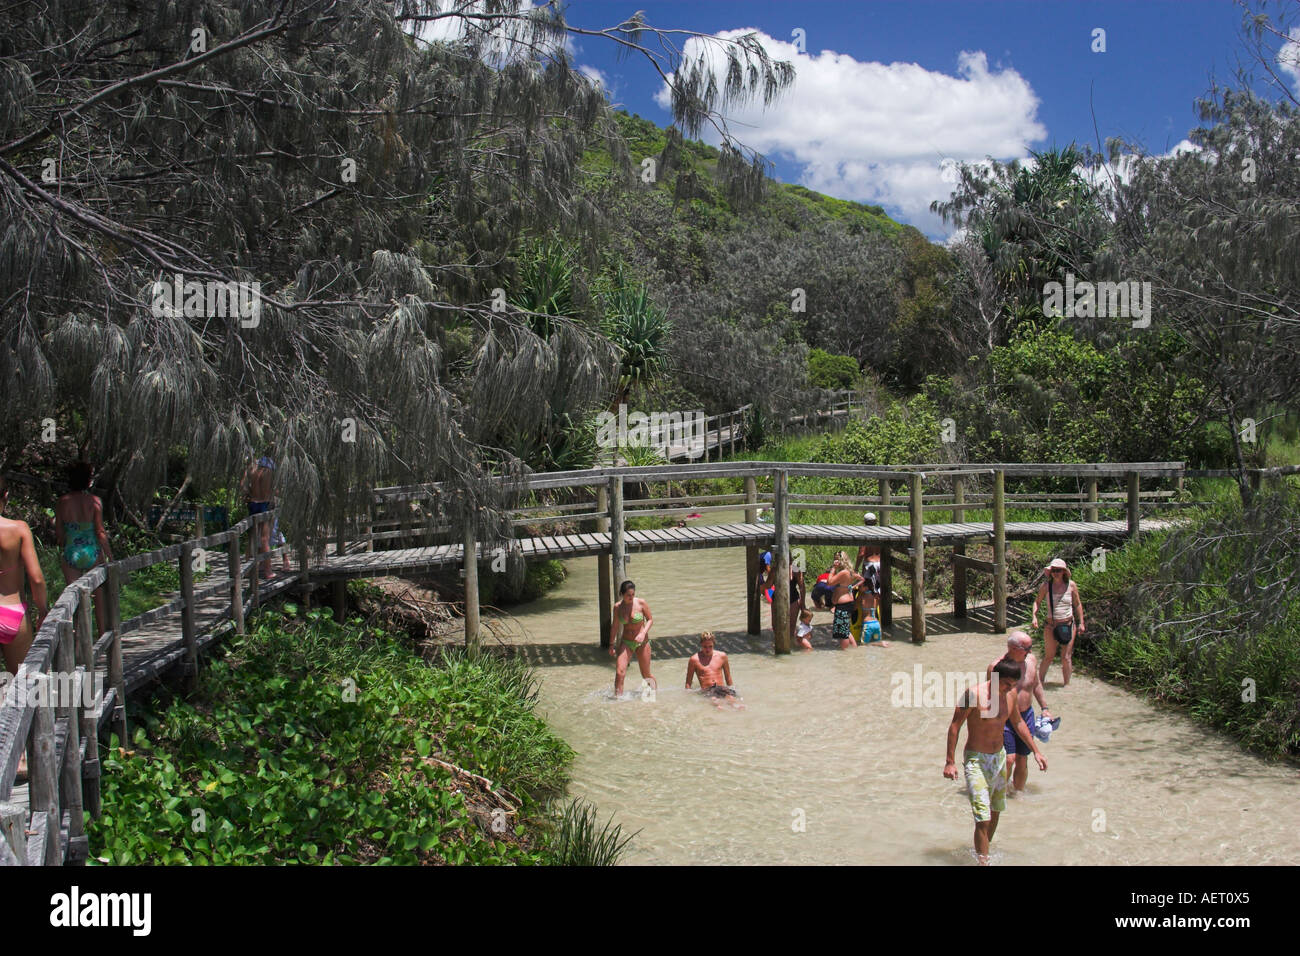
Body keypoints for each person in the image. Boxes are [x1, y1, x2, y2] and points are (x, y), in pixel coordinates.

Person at [943, 659, 1046, 865]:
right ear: (995, 677)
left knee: (996, 810)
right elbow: (955, 726)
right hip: (976, 759)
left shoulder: (1011, 695)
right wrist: (950, 762)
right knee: (983, 816)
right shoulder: (972, 694)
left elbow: (1017, 722)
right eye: (1007, 683)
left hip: (999, 757)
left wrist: (1036, 751)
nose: (1010, 688)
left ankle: (982, 851)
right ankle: (984, 861)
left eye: (1013, 685)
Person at [54, 461, 113, 635]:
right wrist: (110, 555)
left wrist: (66, 543)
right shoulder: (95, 501)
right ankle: (102, 635)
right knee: (99, 596)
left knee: (75, 599)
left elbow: (59, 534)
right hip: (93, 552)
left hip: (72, 551)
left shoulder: (62, 502)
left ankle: (77, 643)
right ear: (88, 481)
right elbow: (100, 531)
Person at [988, 631, 1051, 792]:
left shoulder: (1031, 661)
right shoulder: (996, 667)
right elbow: (991, 698)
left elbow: (1035, 684)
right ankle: (998, 794)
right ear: (1013, 648)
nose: (1030, 651)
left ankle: (1018, 794)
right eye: (1027, 648)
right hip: (1005, 718)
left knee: (1023, 759)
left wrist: (1044, 708)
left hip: (1027, 714)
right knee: (1009, 759)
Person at [1, 475, 48, 676]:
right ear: (5, 495)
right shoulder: (18, 529)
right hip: (12, 612)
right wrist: (43, 610)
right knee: (23, 685)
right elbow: (36, 578)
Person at [1033, 558, 1086, 686]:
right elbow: (1037, 602)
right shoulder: (1046, 586)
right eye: (1053, 570)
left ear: (1064, 572)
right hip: (1051, 626)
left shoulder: (1071, 585)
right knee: (1049, 656)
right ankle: (1038, 684)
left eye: (1058, 570)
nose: (1055, 573)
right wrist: (1034, 616)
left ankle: (1066, 686)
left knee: (1066, 657)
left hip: (1068, 625)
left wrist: (1081, 623)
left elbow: (1077, 604)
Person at [609, 580, 656, 697]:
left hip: (642, 642)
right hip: (626, 642)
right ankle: (617, 700)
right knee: (620, 672)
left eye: (632, 594)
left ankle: (653, 697)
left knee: (646, 674)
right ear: (621, 594)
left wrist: (643, 633)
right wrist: (611, 644)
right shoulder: (617, 607)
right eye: (628, 595)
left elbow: (650, 619)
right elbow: (615, 626)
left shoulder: (641, 603)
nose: (631, 597)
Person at [240, 454, 276, 580]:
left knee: (252, 537)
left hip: (253, 503)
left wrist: (249, 494)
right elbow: (275, 489)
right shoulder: (270, 470)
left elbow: (242, 486)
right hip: (265, 503)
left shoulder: (252, 469)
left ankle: (249, 570)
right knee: (265, 538)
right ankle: (268, 571)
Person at [685, 631, 742, 709]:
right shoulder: (694, 659)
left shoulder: (722, 656)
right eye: (705, 647)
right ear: (701, 645)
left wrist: (732, 688)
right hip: (708, 690)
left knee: (734, 702)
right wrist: (688, 696)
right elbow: (688, 682)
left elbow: (728, 677)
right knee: (717, 704)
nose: (708, 649)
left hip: (721, 688)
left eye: (710, 646)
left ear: (714, 644)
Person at [763, 551, 807, 650]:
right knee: (786, 626)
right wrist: (803, 603)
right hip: (788, 599)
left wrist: (761, 587)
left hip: (782, 598)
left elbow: (769, 585)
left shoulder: (776, 570)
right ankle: (787, 647)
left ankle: (781, 647)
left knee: (777, 626)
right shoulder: (794, 569)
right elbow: (802, 587)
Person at [825, 550, 861, 650]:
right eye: (834, 559)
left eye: (837, 559)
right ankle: (854, 648)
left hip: (843, 605)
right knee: (845, 629)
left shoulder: (844, 572)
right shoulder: (849, 572)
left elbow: (829, 583)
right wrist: (851, 587)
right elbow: (862, 579)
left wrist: (833, 569)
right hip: (846, 604)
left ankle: (844, 651)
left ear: (841, 560)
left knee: (843, 631)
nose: (835, 561)